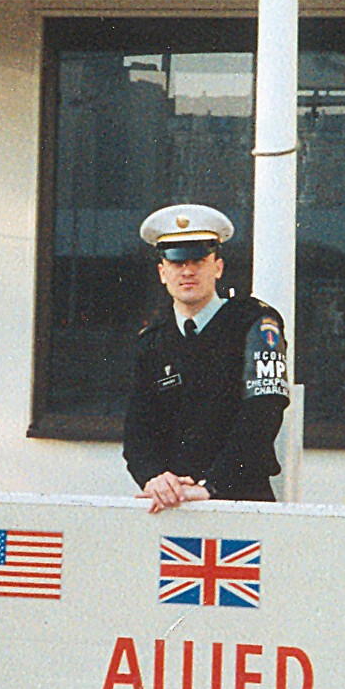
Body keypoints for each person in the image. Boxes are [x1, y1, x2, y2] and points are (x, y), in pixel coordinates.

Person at [122, 203, 290, 513]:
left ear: (218, 267)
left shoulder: (255, 323)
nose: (187, 271)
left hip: (241, 500)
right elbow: (137, 431)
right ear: (162, 272)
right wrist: (153, 479)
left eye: (199, 260)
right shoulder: (152, 342)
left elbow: (262, 415)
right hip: (172, 506)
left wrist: (211, 486)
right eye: (176, 262)